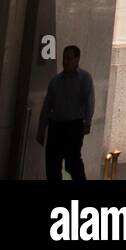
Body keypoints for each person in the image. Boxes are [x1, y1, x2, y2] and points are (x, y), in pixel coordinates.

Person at [38, 45, 94, 182]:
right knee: (52, 164)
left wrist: (88, 121)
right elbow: (47, 106)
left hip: (73, 126)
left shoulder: (84, 78)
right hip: (56, 125)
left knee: (73, 163)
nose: (66, 61)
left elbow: (89, 101)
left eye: (69, 58)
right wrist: (41, 129)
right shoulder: (55, 81)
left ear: (77, 59)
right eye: (64, 58)